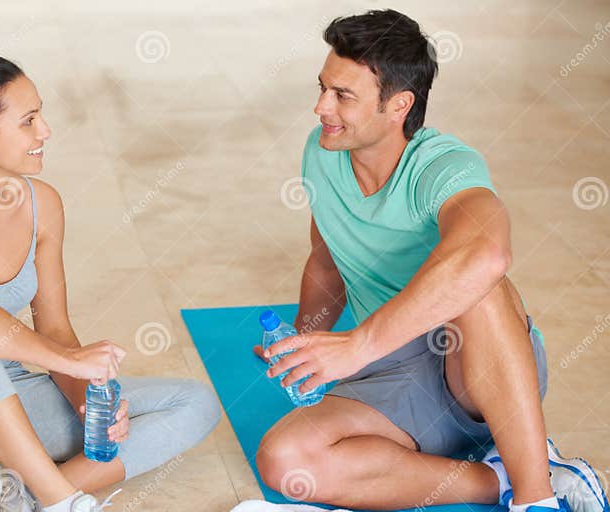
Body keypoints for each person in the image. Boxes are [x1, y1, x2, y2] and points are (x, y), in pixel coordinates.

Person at [252, 10, 609, 512]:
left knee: (479, 280)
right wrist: (300, 339)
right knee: (286, 462)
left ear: (399, 105)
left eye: (342, 96)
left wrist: (359, 344)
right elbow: (327, 258)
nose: (320, 108)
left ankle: (537, 496)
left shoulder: (443, 166)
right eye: (323, 88)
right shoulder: (322, 153)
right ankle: (505, 476)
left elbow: (489, 252)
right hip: (395, 374)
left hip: (476, 367)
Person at [0, 54, 221, 512]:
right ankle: (64, 502)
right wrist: (72, 361)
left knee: (195, 403)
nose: (45, 131)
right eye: (28, 121)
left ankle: (14, 494)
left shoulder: (43, 204)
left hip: (0, 399)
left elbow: (54, 328)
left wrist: (84, 401)